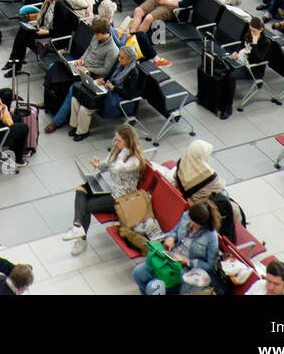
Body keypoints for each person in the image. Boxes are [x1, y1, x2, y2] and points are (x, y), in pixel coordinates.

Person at [63, 125, 145, 256]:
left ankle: (81, 239)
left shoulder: (134, 160)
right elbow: (106, 165)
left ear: (128, 142)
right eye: (116, 139)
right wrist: (98, 164)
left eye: (119, 141)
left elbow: (117, 168)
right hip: (110, 186)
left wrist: (123, 152)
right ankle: (77, 226)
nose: (116, 143)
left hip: (121, 196)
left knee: (87, 206)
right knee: (81, 189)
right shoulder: (116, 149)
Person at [132, 200, 221, 294]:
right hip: (168, 258)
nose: (190, 225)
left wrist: (187, 261)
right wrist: (171, 238)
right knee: (138, 273)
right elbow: (174, 231)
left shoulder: (211, 237)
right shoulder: (187, 215)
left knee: (153, 286)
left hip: (183, 270)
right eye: (190, 221)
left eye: (194, 225)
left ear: (203, 225)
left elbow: (209, 265)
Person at [45, 17, 119, 131]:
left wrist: (87, 69)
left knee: (72, 89)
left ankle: (56, 121)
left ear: (105, 33)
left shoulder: (113, 50)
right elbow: (88, 50)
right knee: (53, 68)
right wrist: (81, 59)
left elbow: (105, 70)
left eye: (97, 34)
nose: (95, 36)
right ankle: (48, 102)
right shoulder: (96, 37)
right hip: (82, 66)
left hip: (91, 74)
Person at [69, 43, 140, 139]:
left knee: (85, 108)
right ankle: (75, 126)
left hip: (115, 96)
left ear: (130, 60)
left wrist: (113, 88)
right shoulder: (119, 63)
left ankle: (82, 132)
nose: (119, 59)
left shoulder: (133, 73)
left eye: (122, 57)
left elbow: (129, 94)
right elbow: (110, 75)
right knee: (75, 99)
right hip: (107, 89)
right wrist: (104, 80)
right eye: (119, 56)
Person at [174, 138, 226, 204]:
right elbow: (221, 186)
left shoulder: (181, 163)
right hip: (200, 208)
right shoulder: (209, 175)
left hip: (184, 202)